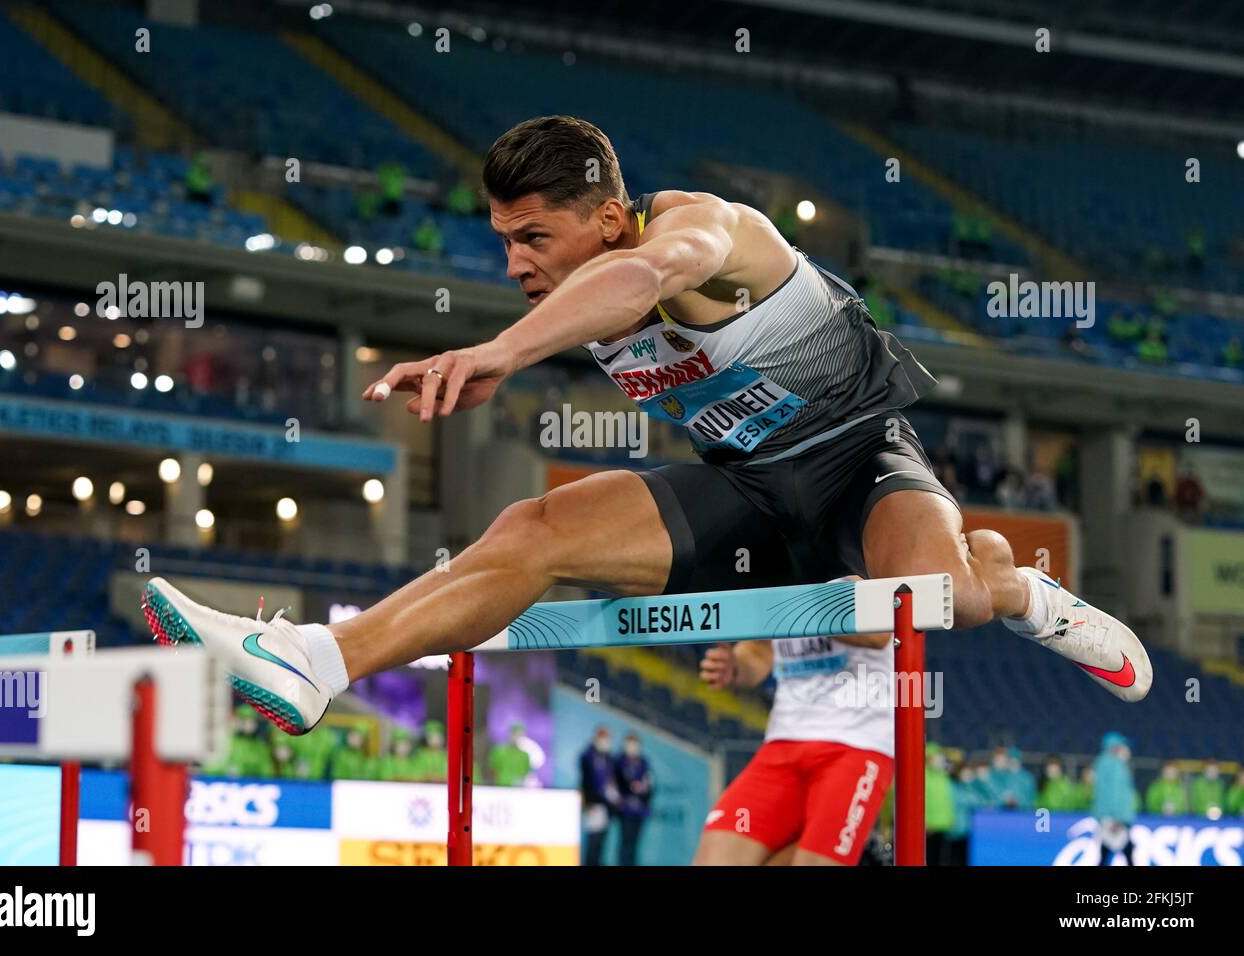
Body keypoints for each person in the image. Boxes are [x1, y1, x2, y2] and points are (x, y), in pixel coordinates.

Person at [139, 114, 1153, 736]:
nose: (515, 262)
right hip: (745, 489)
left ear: (611, 213)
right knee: (531, 532)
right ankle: (318, 660)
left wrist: (497, 351)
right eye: (502, 240)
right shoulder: (585, 282)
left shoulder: (710, 230)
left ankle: (1018, 584)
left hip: (859, 466)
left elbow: (643, 279)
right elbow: (610, 298)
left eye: (533, 236)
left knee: (932, 602)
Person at [694, 575, 895, 866]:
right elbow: (760, 651)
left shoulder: (852, 554)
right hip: (782, 746)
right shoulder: (775, 569)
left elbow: (877, 632)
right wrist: (735, 667)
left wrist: (790, 602)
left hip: (855, 744)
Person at [1090, 731, 1137, 865]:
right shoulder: (1115, 765)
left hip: (1108, 816)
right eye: (1123, 745)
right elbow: (1115, 794)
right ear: (1115, 747)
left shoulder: (1102, 763)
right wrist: (1118, 818)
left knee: (1107, 852)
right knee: (1126, 851)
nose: (1126, 749)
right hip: (1115, 819)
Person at [578, 727, 620, 866]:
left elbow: (612, 781)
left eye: (607, 738)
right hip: (593, 805)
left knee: (601, 843)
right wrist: (587, 802)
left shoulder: (609, 758)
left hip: (606, 805)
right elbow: (585, 780)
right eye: (602, 738)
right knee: (593, 842)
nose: (605, 741)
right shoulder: (588, 756)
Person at [614, 734, 653, 866]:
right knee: (626, 843)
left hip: (640, 810)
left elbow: (649, 784)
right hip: (626, 809)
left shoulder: (643, 762)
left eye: (635, 744)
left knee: (635, 844)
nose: (633, 747)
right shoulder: (619, 762)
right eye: (630, 744)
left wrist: (642, 789)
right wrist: (631, 787)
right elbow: (618, 783)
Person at [925, 743, 956, 865]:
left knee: (943, 859)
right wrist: (924, 822)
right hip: (929, 827)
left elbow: (946, 800)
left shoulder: (943, 776)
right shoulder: (922, 776)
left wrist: (950, 818)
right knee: (930, 857)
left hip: (943, 824)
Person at [487, 722, 532, 786]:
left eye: (520, 735)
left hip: (518, 790)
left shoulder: (525, 756)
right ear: (510, 734)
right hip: (500, 788)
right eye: (515, 734)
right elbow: (491, 771)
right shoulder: (499, 751)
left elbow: (526, 775)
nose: (517, 737)